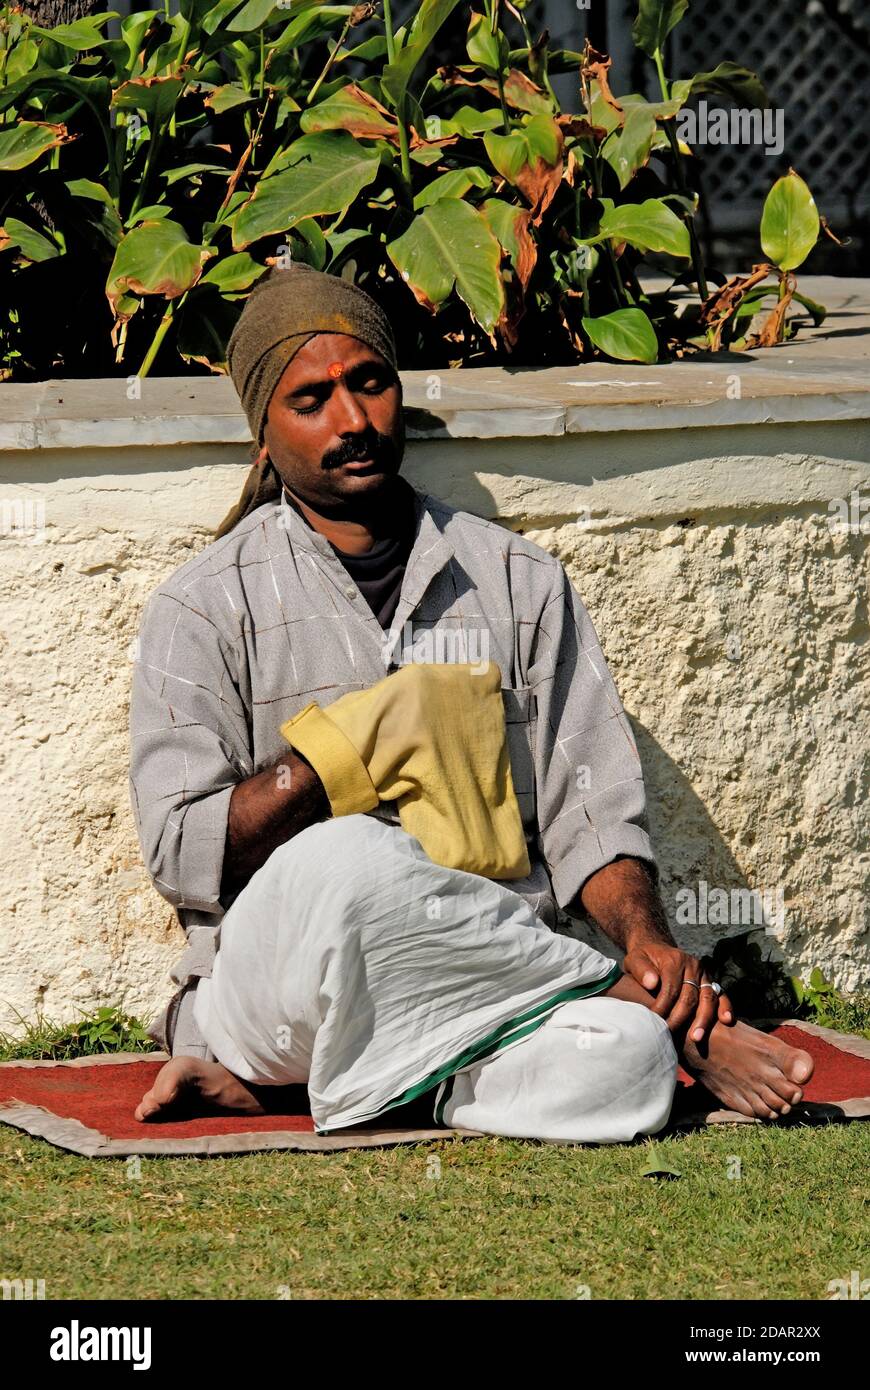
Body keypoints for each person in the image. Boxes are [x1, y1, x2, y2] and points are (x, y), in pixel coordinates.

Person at [128, 264, 813, 1141]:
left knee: (633, 1060)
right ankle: (596, 995)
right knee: (351, 860)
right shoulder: (203, 604)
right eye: (312, 400)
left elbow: (590, 820)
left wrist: (645, 947)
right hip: (279, 992)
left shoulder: (518, 582)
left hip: (485, 987)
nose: (352, 419)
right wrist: (340, 759)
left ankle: (402, 1081)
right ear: (263, 434)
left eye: (369, 382)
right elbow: (180, 851)